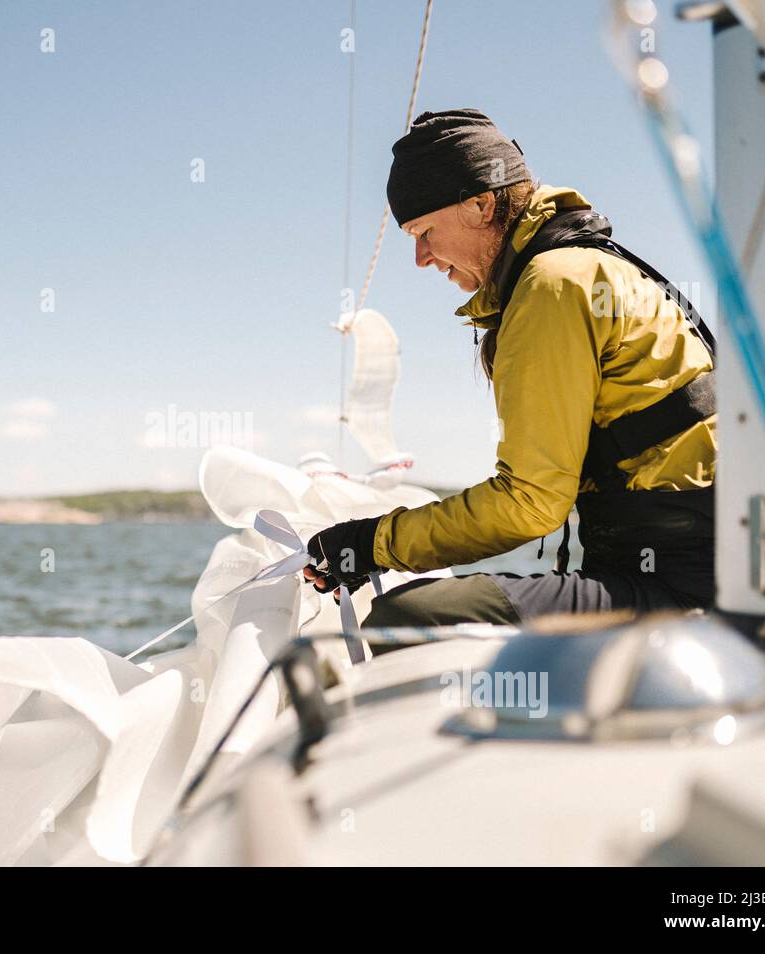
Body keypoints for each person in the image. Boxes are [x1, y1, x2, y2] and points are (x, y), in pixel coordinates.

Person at [303, 108, 717, 629]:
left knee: (404, 616)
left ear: (479, 204)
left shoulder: (553, 285)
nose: (420, 258)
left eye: (425, 231)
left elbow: (530, 502)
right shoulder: (585, 266)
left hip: (679, 587)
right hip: (700, 573)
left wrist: (370, 544)